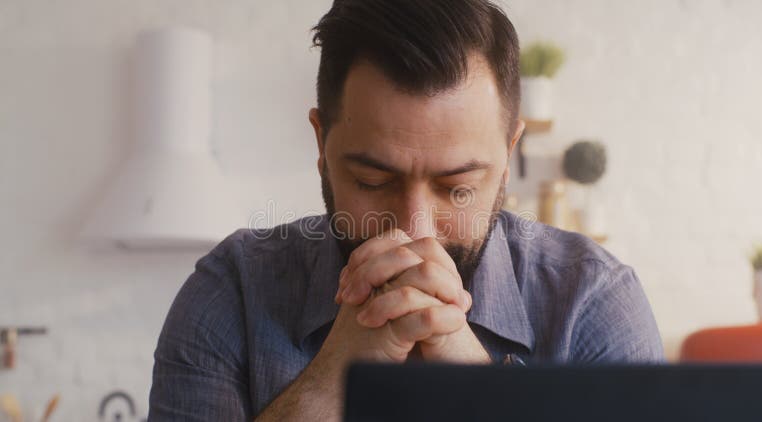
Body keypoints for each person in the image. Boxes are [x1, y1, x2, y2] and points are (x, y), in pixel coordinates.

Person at [148, 0, 664, 420]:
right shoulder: (231, 290)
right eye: (374, 181)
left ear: (508, 157)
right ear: (321, 143)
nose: (415, 229)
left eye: (457, 187)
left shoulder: (593, 302)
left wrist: (476, 386)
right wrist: (335, 375)